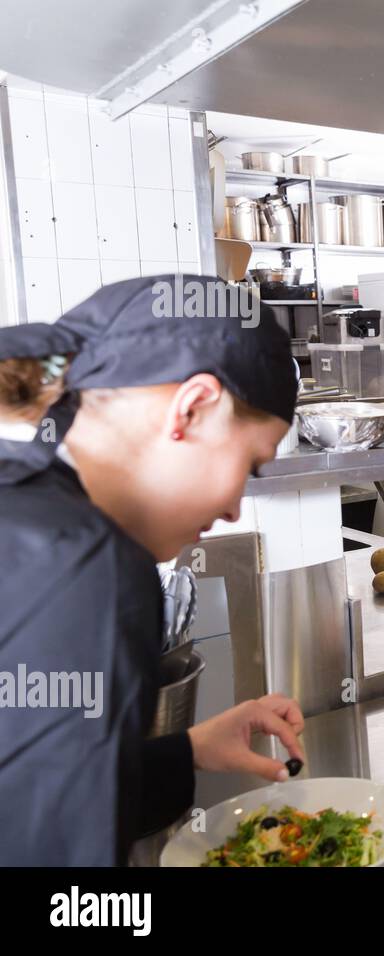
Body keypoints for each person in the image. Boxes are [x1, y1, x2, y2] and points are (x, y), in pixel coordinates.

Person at [0, 275, 307, 865]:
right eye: (250, 464)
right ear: (192, 407)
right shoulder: (82, 562)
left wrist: (183, 750)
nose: (233, 507)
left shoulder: (27, 506)